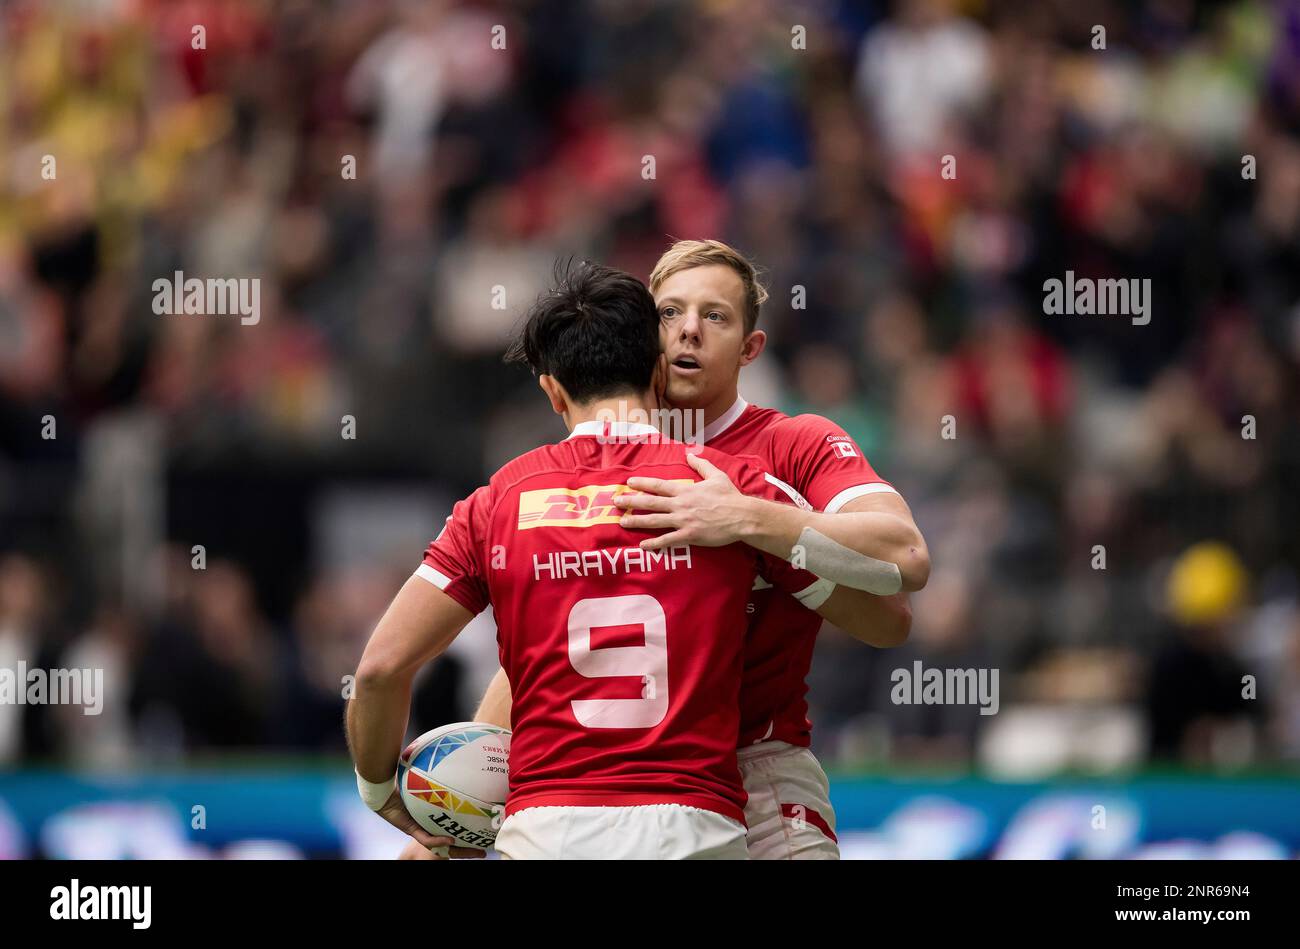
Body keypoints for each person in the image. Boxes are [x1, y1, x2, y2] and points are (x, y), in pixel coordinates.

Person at [348, 261, 908, 859]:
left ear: (552, 391)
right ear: (656, 366)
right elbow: (890, 609)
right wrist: (758, 529)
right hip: (693, 819)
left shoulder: (498, 502)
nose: (690, 330)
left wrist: (383, 793)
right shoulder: (725, 487)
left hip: (550, 826)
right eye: (672, 313)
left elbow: (380, 669)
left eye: (714, 315)